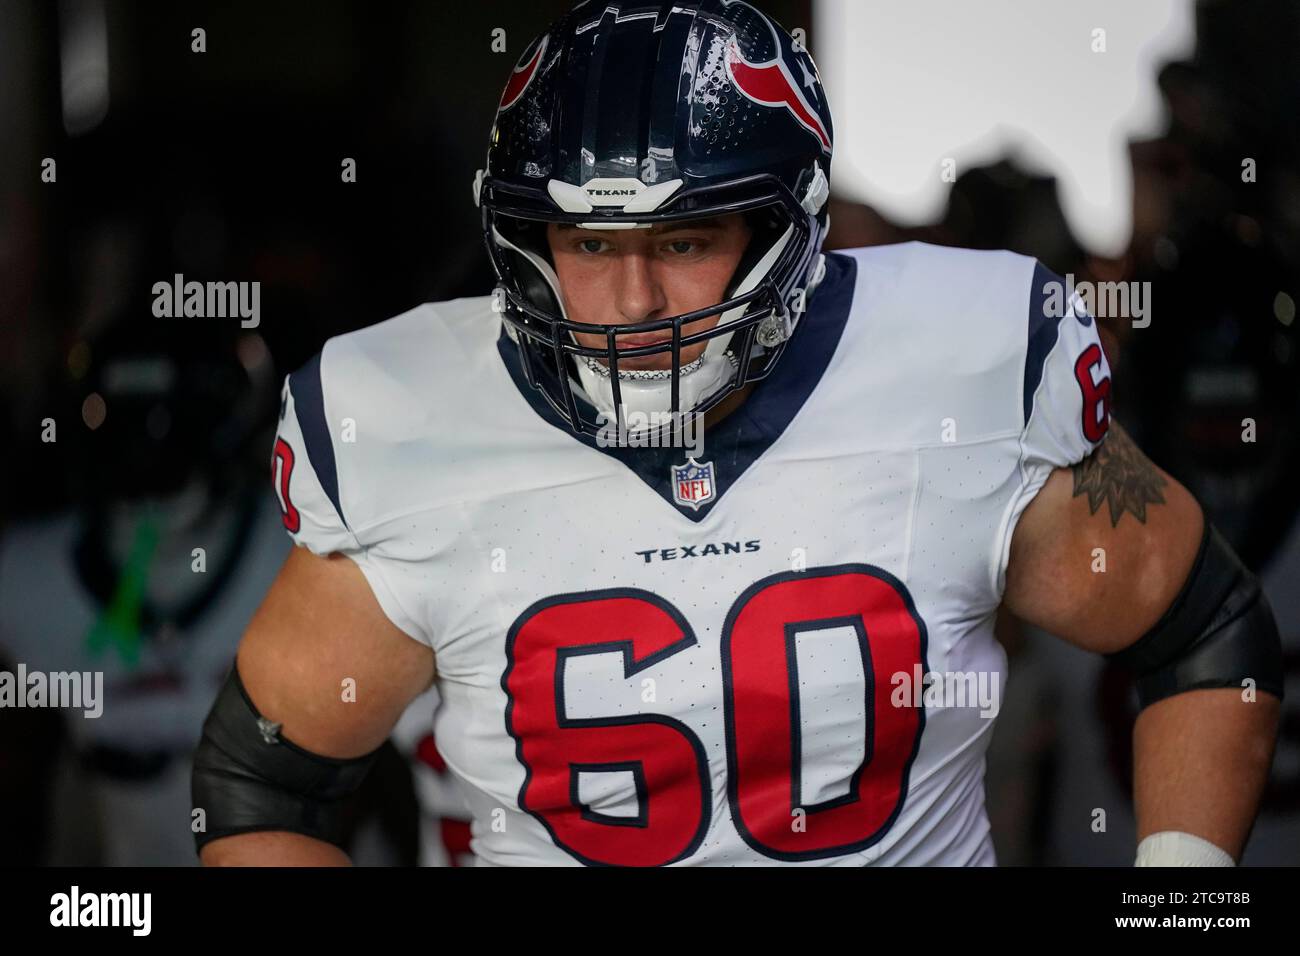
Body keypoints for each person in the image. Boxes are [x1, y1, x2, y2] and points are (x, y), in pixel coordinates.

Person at [192, 0, 1282, 866]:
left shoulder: (960, 362)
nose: (629, 300)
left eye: (684, 240)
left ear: (785, 229)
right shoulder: (410, 416)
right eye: (585, 240)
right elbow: (268, 777)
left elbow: (1200, 631)